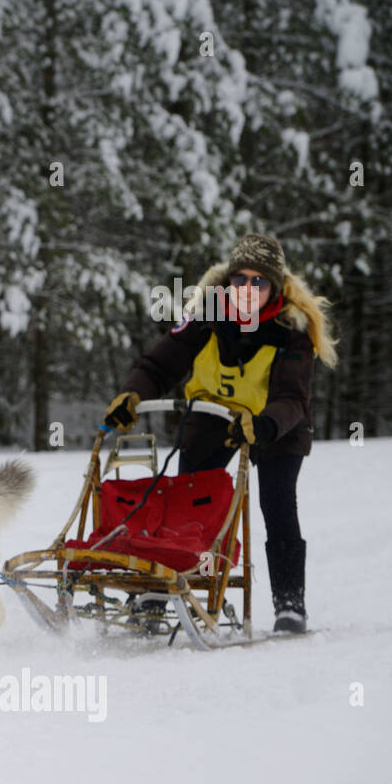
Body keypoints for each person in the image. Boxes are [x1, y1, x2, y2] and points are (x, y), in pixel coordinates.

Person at [103, 234, 338, 633]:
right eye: (240, 279)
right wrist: (131, 395)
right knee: (186, 504)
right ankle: (162, 594)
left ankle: (290, 605)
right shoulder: (207, 314)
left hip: (276, 422)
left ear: (274, 288)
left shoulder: (292, 331)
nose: (247, 290)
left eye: (258, 282)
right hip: (213, 416)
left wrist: (261, 425)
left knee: (277, 503)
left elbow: (291, 397)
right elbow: (160, 364)